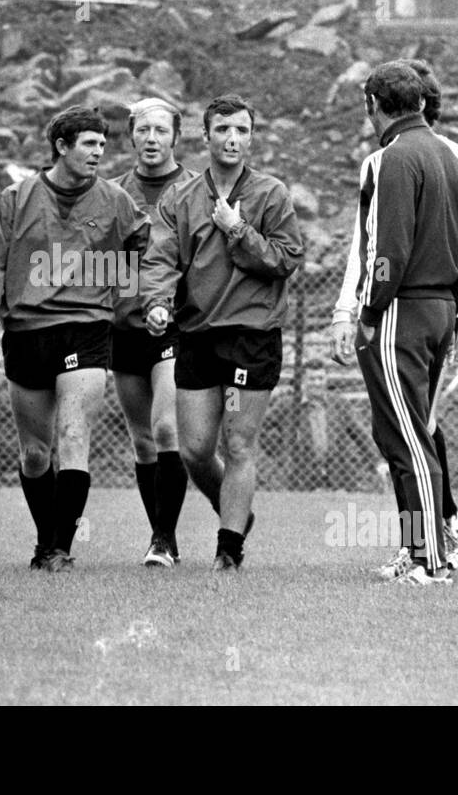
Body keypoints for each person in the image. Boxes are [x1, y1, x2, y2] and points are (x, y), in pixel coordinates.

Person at [0, 105, 149, 572]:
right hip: (27, 331)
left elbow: (146, 249)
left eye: (103, 144)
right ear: (61, 147)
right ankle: (46, 541)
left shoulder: (116, 200)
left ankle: (58, 549)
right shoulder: (17, 197)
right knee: (34, 453)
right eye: (88, 144)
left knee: (73, 436)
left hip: (86, 329)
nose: (99, 152)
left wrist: (134, 298)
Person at [330, 59, 458, 578]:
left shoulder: (392, 158)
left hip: (403, 307)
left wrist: (368, 311)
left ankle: (430, 559)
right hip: (441, 306)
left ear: (372, 105)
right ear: (421, 103)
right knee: (406, 429)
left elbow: (386, 250)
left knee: (408, 439)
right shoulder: (451, 156)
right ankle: (418, 548)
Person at [141, 94, 303, 571]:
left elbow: (286, 259)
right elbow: (160, 259)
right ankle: (235, 511)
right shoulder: (181, 198)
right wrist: (154, 303)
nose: (234, 139)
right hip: (197, 336)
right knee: (192, 448)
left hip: (250, 338)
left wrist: (238, 230)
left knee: (238, 443)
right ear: (205, 135)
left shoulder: (271, 194)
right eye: (224, 130)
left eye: (243, 131)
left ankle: (228, 549)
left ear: (252, 137)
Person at [109, 98, 198, 568]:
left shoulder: (194, 189)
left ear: (175, 137)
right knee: (142, 440)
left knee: (168, 429)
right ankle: (161, 534)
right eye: (143, 130)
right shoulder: (112, 191)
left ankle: (162, 539)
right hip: (123, 325)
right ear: (131, 135)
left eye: (161, 130)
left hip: (174, 325)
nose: (151, 138)